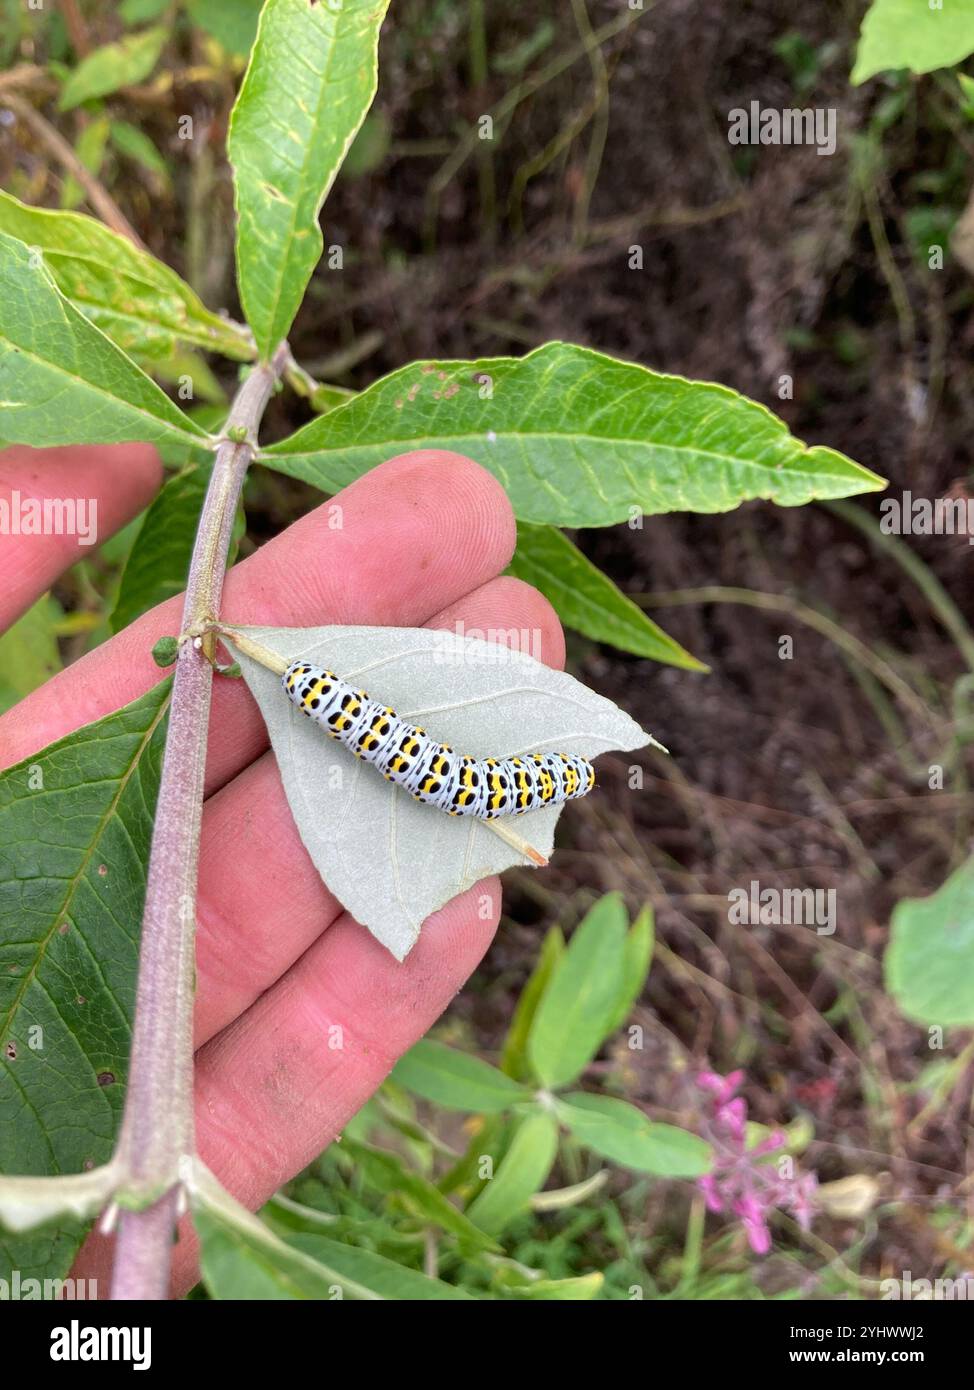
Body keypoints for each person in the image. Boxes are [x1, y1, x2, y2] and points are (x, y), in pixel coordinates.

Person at [0, 442, 565, 1297]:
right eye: (551, 778)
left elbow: (453, 781)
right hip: (319, 692)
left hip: (324, 695)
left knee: (446, 780)